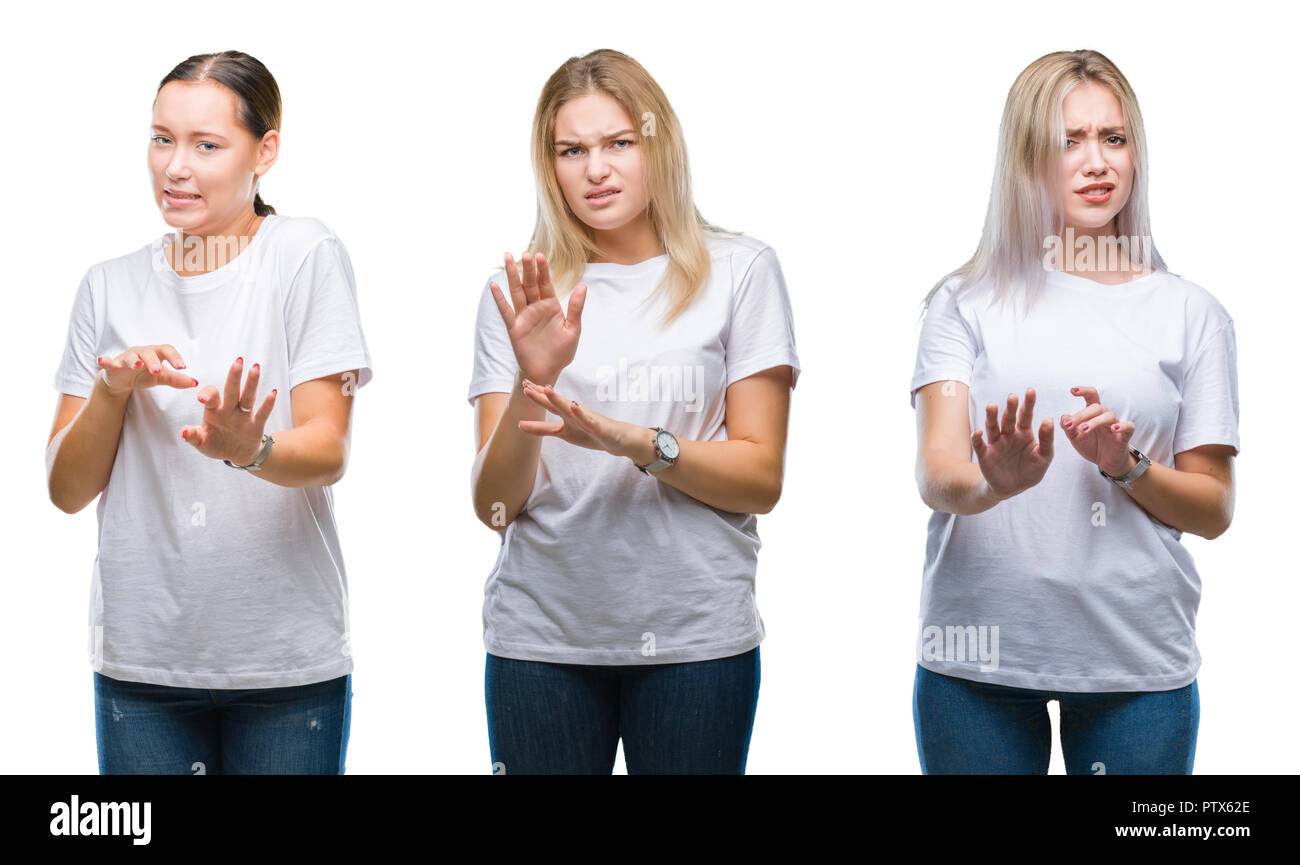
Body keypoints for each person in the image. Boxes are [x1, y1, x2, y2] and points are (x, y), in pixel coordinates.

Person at [468, 49, 800, 774]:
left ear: (659, 146)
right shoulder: (519, 291)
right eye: (572, 150)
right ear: (549, 165)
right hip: (541, 642)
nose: (596, 169)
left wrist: (640, 443)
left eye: (620, 142)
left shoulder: (740, 272)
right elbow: (494, 505)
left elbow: (760, 479)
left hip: (695, 642)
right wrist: (534, 378)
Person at [909, 49, 1239, 774]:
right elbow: (937, 473)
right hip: (977, 661)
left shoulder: (1192, 313)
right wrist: (993, 481)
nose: (1098, 162)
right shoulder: (962, 302)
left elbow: (1213, 509)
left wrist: (1127, 466)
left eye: (1114, 139)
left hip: (1135, 664)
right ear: (1026, 158)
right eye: (1070, 141)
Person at [46, 50, 372, 774]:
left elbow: (328, 448)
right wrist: (113, 391)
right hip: (144, 664)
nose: (175, 168)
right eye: (161, 139)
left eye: (206, 145)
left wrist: (249, 448)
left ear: (266, 152)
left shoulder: (303, 254)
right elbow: (66, 490)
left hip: (285, 668)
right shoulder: (108, 286)